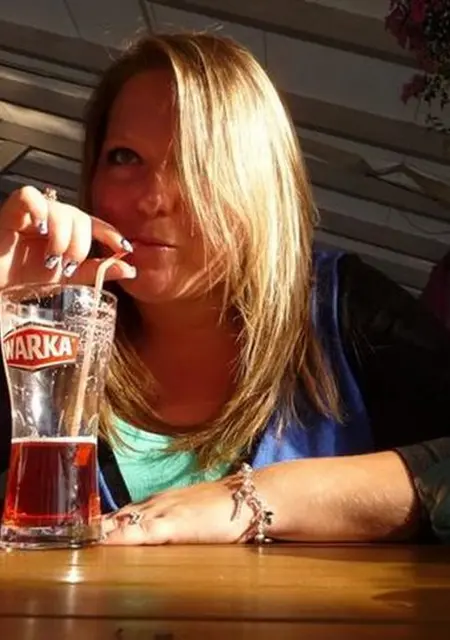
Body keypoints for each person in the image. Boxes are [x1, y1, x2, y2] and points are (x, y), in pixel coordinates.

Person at [0, 31, 449, 545]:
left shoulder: (342, 307)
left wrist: (259, 498)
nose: (152, 199)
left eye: (197, 164)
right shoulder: (42, 328)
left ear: (258, 184)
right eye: (124, 157)